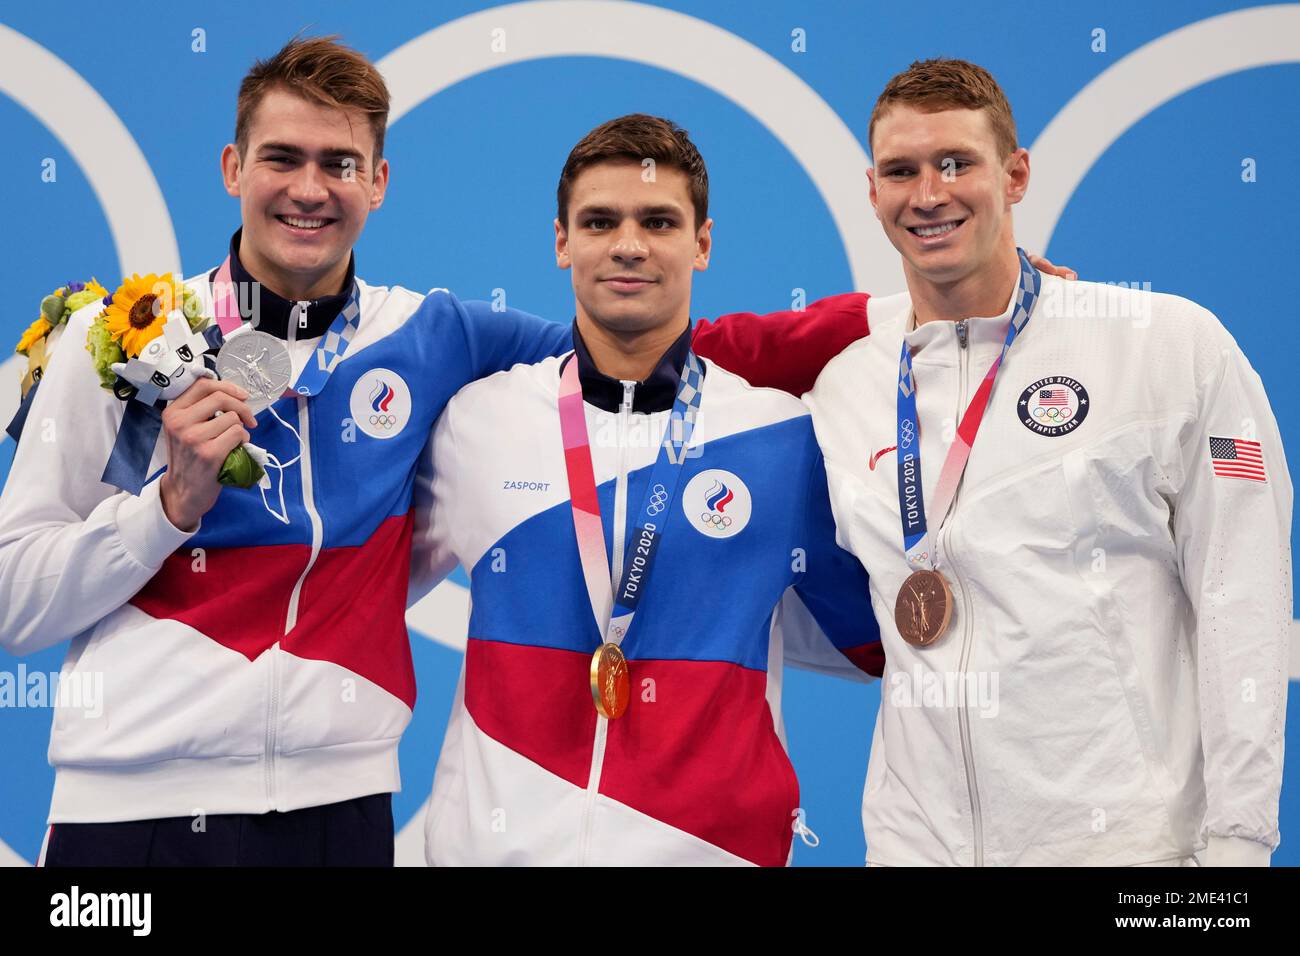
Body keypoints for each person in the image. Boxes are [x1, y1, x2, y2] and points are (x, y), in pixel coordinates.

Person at [0, 37, 888, 867]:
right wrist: (164, 513)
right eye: (282, 158)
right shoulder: (111, 342)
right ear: (233, 168)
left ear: (378, 182)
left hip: (337, 812)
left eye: (339, 164)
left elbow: (637, 348)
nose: (309, 188)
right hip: (124, 812)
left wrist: (915, 309)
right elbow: (14, 606)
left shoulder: (438, 338)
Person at [803, 58, 1291, 866]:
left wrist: (1239, 847)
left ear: (1017, 174)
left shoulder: (1167, 344)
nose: (929, 195)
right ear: (872, 189)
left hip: (1128, 854)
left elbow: (1242, 602)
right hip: (913, 848)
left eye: (957, 163)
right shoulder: (844, 385)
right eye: (902, 171)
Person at [408, 114, 884, 866]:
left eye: (659, 221)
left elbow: (880, 639)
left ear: (702, 243)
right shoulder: (476, 422)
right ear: (561, 241)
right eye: (600, 221)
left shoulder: (784, 439)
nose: (628, 244)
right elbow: (353, 579)